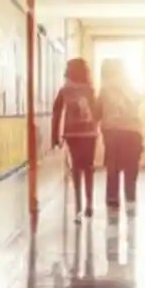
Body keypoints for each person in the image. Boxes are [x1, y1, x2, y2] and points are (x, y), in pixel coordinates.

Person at [51, 58, 100, 218]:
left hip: (72, 134)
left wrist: (54, 137)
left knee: (76, 168)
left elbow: (56, 113)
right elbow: (97, 113)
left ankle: (78, 206)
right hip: (89, 134)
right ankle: (90, 204)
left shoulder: (64, 91)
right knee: (89, 168)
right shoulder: (90, 90)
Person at [98, 59, 144, 214]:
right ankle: (130, 200)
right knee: (131, 168)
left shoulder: (104, 89)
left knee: (113, 168)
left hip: (113, 132)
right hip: (133, 132)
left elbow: (97, 112)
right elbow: (140, 101)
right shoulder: (132, 87)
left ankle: (113, 202)